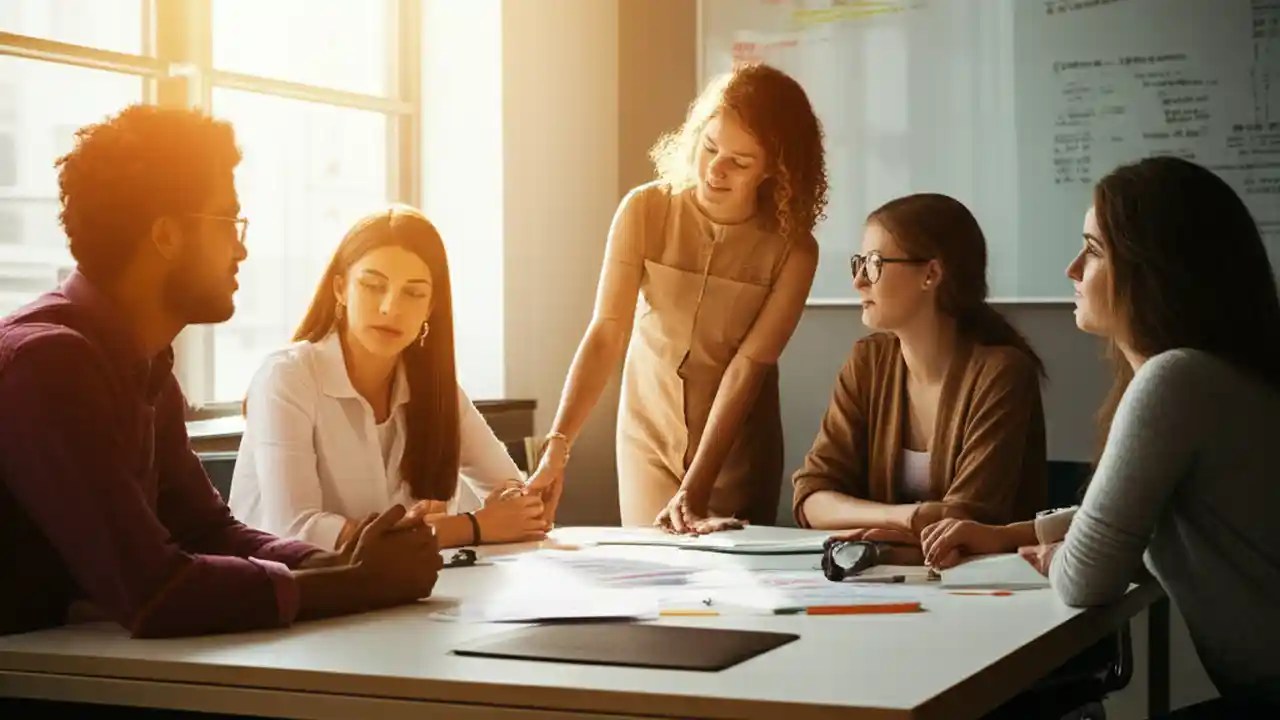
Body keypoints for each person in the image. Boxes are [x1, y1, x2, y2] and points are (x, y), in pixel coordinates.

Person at [0, 105, 439, 639]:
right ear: (167, 235)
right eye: (229, 222)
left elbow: (206, 530)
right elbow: (156, 592)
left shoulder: (142, 359)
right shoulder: (49, 365)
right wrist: (362, 584)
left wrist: (345, 565)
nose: (242, 248)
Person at [921, 157, 1280, 715]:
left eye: (1092, 250)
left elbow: (1085, 578)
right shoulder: (1209, 374)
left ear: (1153, 270)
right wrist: (1009, 534)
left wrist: (1061, 554)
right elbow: (1136, 513)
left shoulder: (1176, 380)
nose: (1071, 268)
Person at [526, 63, 828, 534]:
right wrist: (557, 446)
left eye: (741, 162)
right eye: (710, 147)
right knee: (654, 581)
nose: (716, 169)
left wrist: (698, 485)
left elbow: (748, 367)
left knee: (731, 593)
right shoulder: (646, 209)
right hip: (647, 433)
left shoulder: (795, 249)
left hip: (735, 451)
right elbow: (607, 332)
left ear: (776, 170)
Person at [230, 206, 547, 550]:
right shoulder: (287, 378)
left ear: (430, 308)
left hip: (392, 594)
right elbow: (296, 529)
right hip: (287, 591)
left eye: (413, 293)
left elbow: (515, 493)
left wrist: (515, 501)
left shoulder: (436, 391)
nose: (390, 308)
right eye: (372, 285)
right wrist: (466, 527)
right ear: (340, 289)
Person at [788, 194, 1047, 561]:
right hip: (885, 579)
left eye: (875, 264)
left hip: (987, 590)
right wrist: (910, 516)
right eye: (858, 264)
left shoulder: (1001, 372)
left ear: (931, 274)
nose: (859, 281)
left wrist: (866, 520)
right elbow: (810, 496)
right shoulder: (869, 361)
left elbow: (964, 522)